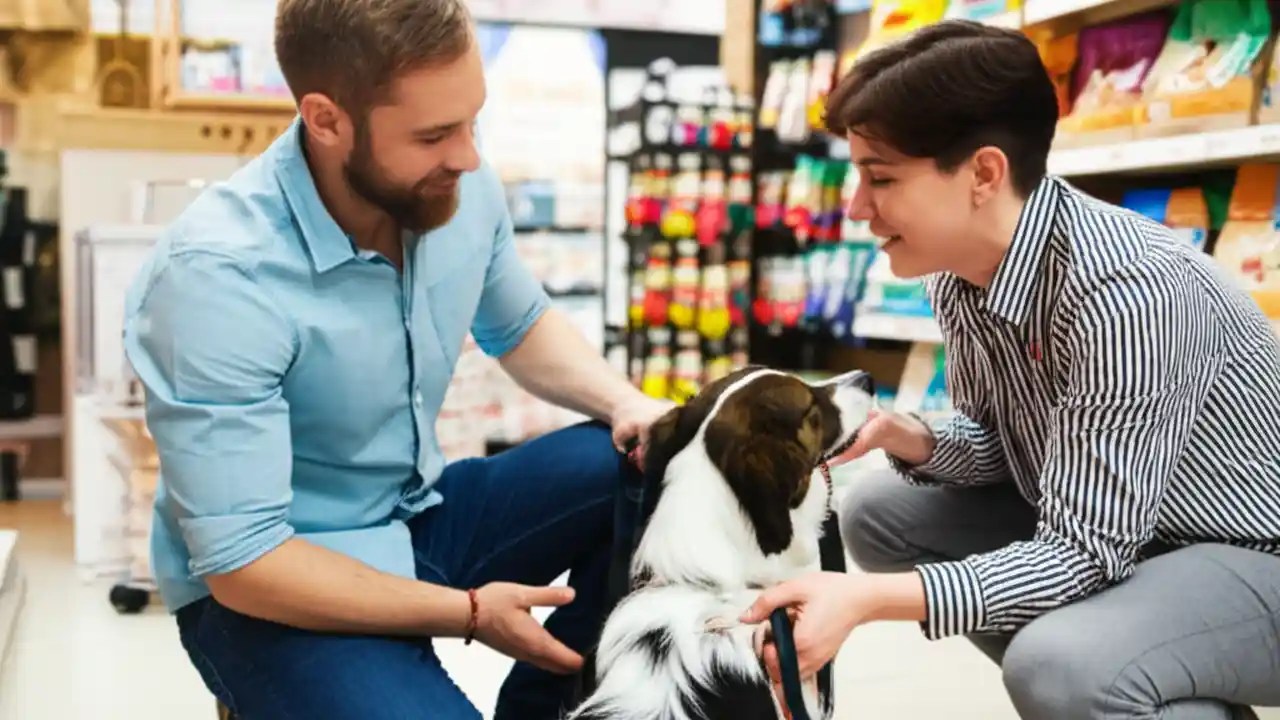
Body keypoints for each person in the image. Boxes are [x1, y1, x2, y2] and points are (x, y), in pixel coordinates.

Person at [121, 1, 671, 718]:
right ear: (325, 120)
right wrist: (468, 611)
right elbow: (245, 563)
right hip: (278, 581)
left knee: (658, 466)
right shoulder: (219, 276)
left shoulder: (457, 189)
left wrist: (628, 403)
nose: (468, 158)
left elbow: (521, 323)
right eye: (435, 134)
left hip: (417, 514)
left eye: (473, 122)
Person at [741, 19, 1280, 720]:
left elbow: (1084, 550)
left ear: (984, 175)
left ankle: (1113, 677)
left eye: (881, 178)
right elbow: (1005, 451)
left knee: (1055, 666)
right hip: (1140, 538)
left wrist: (867, 601)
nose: (857, 207)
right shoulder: (961, 273)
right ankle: (1143, 684)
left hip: (1248, 549)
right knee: (877, 513)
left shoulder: (1127, 293)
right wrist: (910, 438)